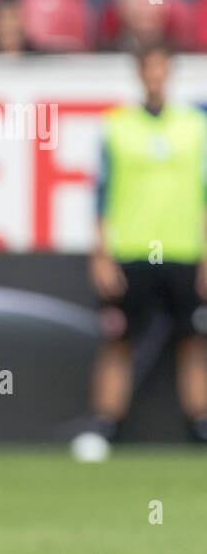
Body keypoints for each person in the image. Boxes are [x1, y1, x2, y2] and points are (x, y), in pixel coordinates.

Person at [73, 44, 207, 461]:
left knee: (193, 342)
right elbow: (101, 192)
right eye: (148, 67)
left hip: (183, 248)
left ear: (170, 72)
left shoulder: (195, 124)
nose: (155, 75)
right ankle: (103, 427)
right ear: (139, 73)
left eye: (161, 67)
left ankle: (200, 424)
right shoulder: (117, 124)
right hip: (130, 248)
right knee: (118, 341)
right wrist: (100, 253)